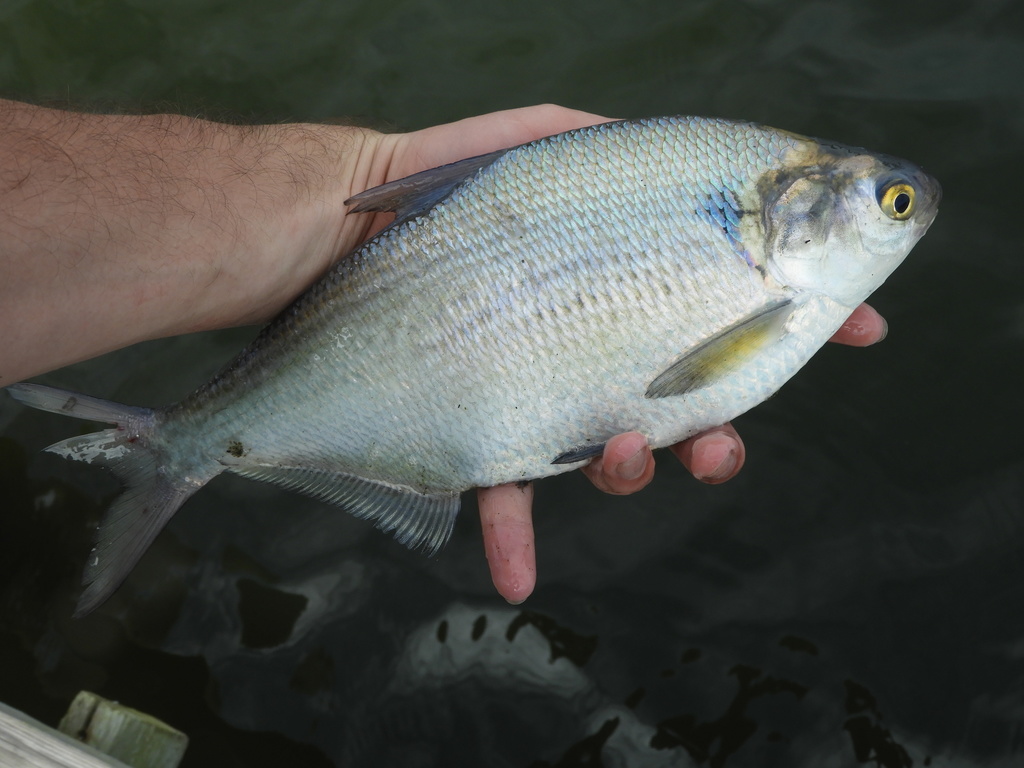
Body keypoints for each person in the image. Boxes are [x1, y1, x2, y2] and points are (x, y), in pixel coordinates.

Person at [0, 99, 887, 604]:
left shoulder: (776, 252)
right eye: (893, 204)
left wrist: (363, 181)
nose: (902, 217)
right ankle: (181, 447)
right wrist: (356, 190)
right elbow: (697, 376)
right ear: (800, 211)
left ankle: (181, 444)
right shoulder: (784, 286)